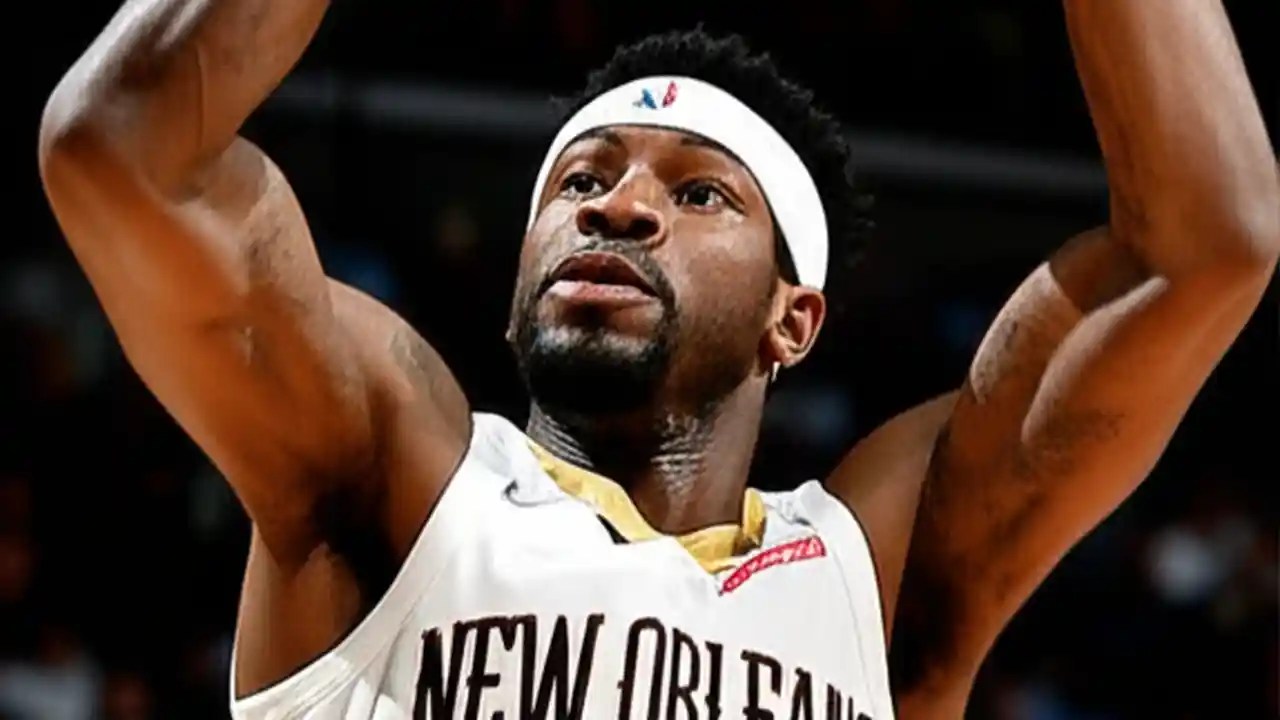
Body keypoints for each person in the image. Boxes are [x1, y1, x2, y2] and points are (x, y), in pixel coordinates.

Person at [37, 0, 1277, 718]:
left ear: (795, 322)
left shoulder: (872, 570)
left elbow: (1203, 246)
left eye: (697, 196)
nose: (616, 208)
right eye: (579, 180)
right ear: (516, 294)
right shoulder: (401, 474)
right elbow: (127, 151)